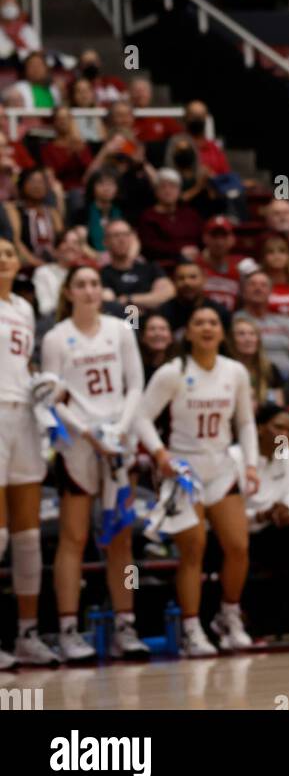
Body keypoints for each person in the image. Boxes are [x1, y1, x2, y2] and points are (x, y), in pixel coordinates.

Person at [135, 304, 259, 656]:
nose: (207, 328)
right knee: (193, 551)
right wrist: (161, 455)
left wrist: (250, 465)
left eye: (213, 322)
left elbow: (246, 422)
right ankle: (191, 628)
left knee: (238, 547)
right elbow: (142, 418)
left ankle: (228, 616)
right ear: (187, 332)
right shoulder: (171, 372)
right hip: (183, 473)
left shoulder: (234, 371)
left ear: (222, 332)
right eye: (199, 322)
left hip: (221, 468)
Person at [41, 265, 148, 663]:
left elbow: (136, 385)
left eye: (94, 284)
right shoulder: (55, 338)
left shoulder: (120, 330)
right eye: (81, 284)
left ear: (102, 291)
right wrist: (89, 434)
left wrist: (119, 430)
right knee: (73, 538)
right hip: (79, 447)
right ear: (68, 292)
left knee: (121, 538)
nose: (89, 290)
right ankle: (68, 630)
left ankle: (126, 625)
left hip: (119, 444)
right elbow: (52, 398)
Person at [0, 239, 57, 668]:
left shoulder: (23, 308)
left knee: (27, 536)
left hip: (24, 419)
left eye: (8, 253)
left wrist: (41, 384)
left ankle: (27, 634)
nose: (3, 258)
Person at [232, 406, 289, 641]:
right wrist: (259, 515)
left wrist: (288, 511)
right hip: (239, 532)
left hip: (272, 530)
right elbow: (227, 513)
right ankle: (253, 622)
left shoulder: (287, 456)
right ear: (259, 428)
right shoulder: (236, 457)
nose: (285, 434)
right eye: (279, 427)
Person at [98, 219, 175, 313]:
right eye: (116, 235)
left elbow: (168, 293)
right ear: (106, 242)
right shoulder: (103, 274)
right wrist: (150, 299)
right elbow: (111, 304)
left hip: (151, 324)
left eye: (126, 235)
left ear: (132, 238)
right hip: (122, 324)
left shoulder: (151, 268)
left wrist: (129, 299)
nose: (121, 239)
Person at [137, 168, 204, 265]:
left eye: (173, 187)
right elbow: (149, 246)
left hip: (196, 261)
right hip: (165, 265)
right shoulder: (148, 217)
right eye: (163, 187)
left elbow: (202, 237)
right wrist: (179, 250)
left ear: (179, 190)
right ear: (155, 191)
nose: (168, 191)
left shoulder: (191, 214)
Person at [159, 260, 231, 339]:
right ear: (174, 282)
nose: (187, 282)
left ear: (204, 279)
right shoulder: (162, 313)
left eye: (193, 277)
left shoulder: (220, 313)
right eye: (181, 278)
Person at [226, 314, 284, 407]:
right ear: (231, 340)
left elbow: (279, 405)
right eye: (241, 334)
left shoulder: (270, 369)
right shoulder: (224, 370)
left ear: (258, 340)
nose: (248, 339)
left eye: (252, 334)